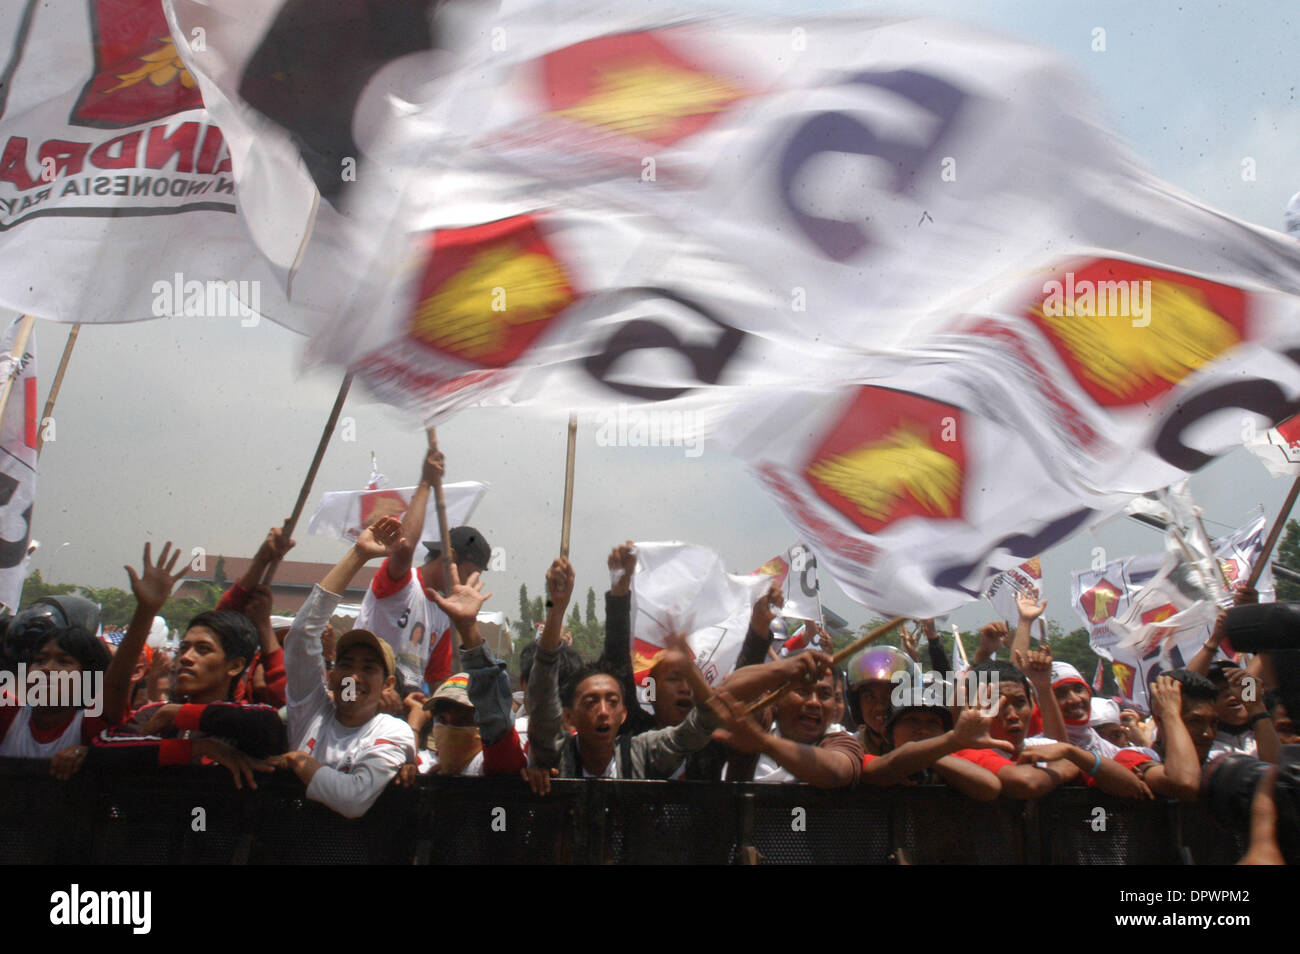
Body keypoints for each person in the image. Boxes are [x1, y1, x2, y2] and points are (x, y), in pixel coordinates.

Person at [86, 543, 285, 788]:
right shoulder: (153, 713)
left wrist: (178, 714)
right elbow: (102, 747)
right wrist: (196, 748)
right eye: (184, 648)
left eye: (203, 650)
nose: (186, 658)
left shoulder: (247, 720)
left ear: (234, 666)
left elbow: (267, 723)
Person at [524, 557, 721, 788]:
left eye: (612, 701)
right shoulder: (555, 754)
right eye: (590, 702)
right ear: (568, 716)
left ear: (624, 714)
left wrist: (688, 668)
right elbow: (542, 695)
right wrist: (555, 612)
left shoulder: (643, 753)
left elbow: (707, 720)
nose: (603, 712)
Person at [271, 516, 421, 818]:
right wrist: (359, 554)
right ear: (332, 674)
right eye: (346, 665)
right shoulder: (310, 711)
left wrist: (300, 762)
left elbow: (353, 798)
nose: (354, 677)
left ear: (388, 684)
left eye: (368, 668)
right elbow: (301, 635)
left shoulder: (393, 731)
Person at [356, 448, 491, 694]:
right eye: (470, 573)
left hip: (403, 714)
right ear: (450, 556)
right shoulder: (401, 582)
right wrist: (426, 482)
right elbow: (404, 545)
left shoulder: (444, 615)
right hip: (358, 694)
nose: (470, 584)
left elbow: (438, 678)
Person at [708, 652, 863, 788]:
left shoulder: (841, 740)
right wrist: (781, 669)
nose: (814, 702)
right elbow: (722, 696)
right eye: (803, 691)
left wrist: (765, 744)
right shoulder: (760, 720)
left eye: (824, 694)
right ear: (776, 697)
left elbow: (837, 772)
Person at [0, 626, 114, 779]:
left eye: (63, 662)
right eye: (39, 660)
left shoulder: (92, 721)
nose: (47, 668)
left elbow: (117, 685)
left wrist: (90, 752)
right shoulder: (7, 712)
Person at [845, 645, 915, 756]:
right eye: (869, 697)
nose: (880, 707)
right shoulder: (848, 749)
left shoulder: (924, 745)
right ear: (857, 705)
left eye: (889, 696)